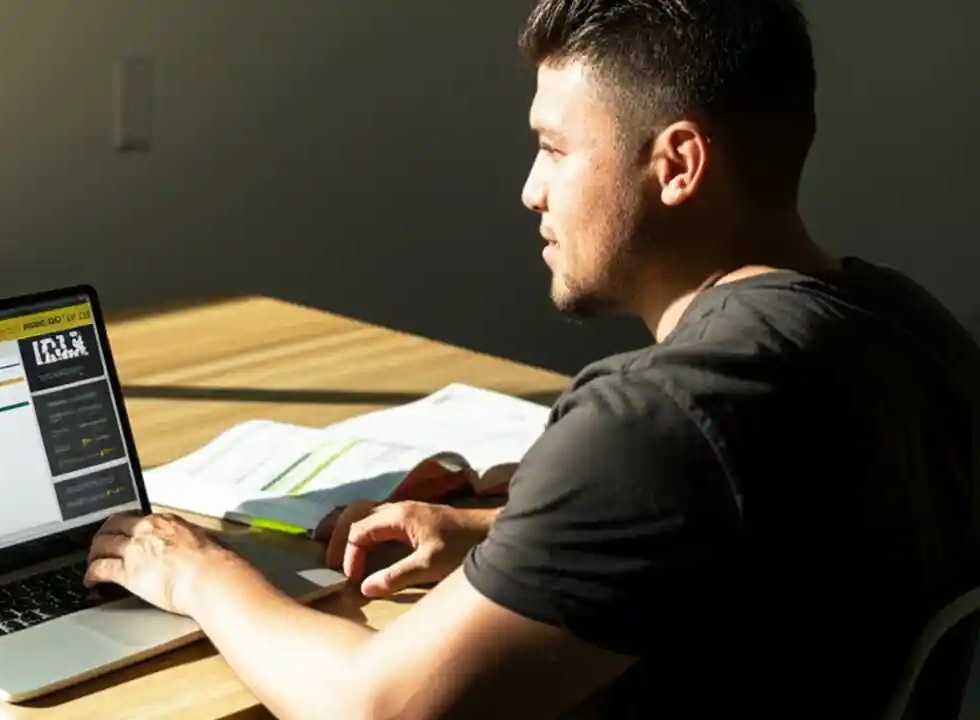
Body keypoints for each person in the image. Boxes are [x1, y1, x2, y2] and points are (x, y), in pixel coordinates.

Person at [83, 0, 980, 716]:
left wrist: (198, 573)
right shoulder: (907, 323)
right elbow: (779, 539)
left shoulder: (660, 418)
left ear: (677, 164)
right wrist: (507, 534)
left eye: (554, 148)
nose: (530, 189)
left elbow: (374, 707)